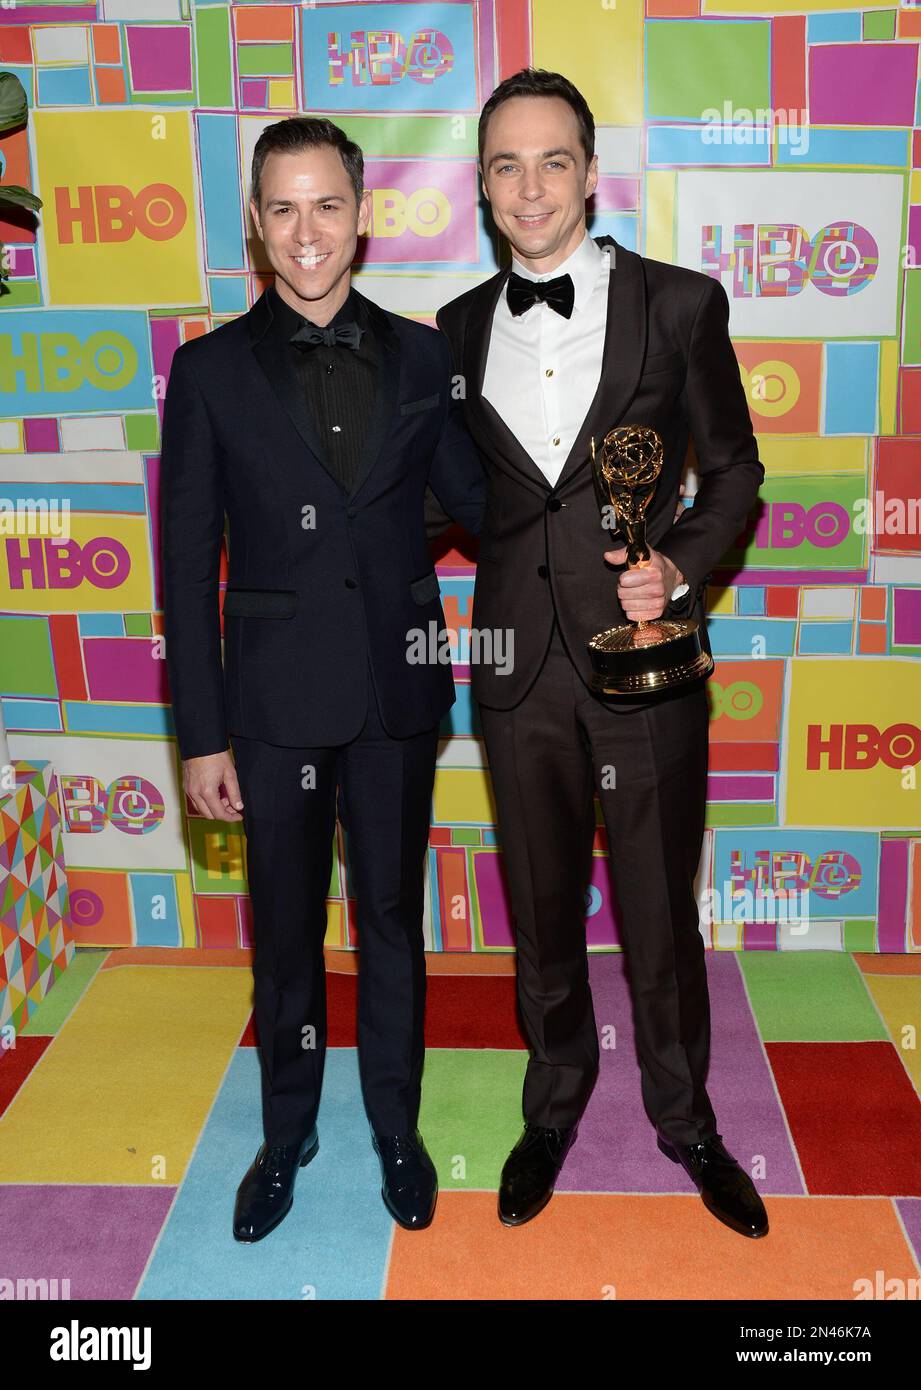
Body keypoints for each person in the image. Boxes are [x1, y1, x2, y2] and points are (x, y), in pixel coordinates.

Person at [435, 69, 768, 1238]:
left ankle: (686, 1119)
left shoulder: (680, 305)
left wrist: (676, 566)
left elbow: (734, 471)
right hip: (515, 668)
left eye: (553, 160)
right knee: (538, 909)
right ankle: (554, 1102)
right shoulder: (458, 328)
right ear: (481, 186)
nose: (531, 187)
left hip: (644, 664)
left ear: (590, 170)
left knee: (658, 910)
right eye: (506, 165)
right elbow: (455, 496)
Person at [160, 116, 486, 1242]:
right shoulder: (205, 371)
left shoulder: (424, 356)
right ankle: (284, 1132)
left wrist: (587, 509)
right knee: (285, 933)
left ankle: (398, 1128)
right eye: (283, 208)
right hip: (270, 709)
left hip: (397, 695)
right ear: (256, 223)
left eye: (328, 205)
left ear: (363, 215)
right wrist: (200, 737)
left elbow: (479, 503)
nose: (308, 231)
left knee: (392, 920)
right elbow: (183, 558)